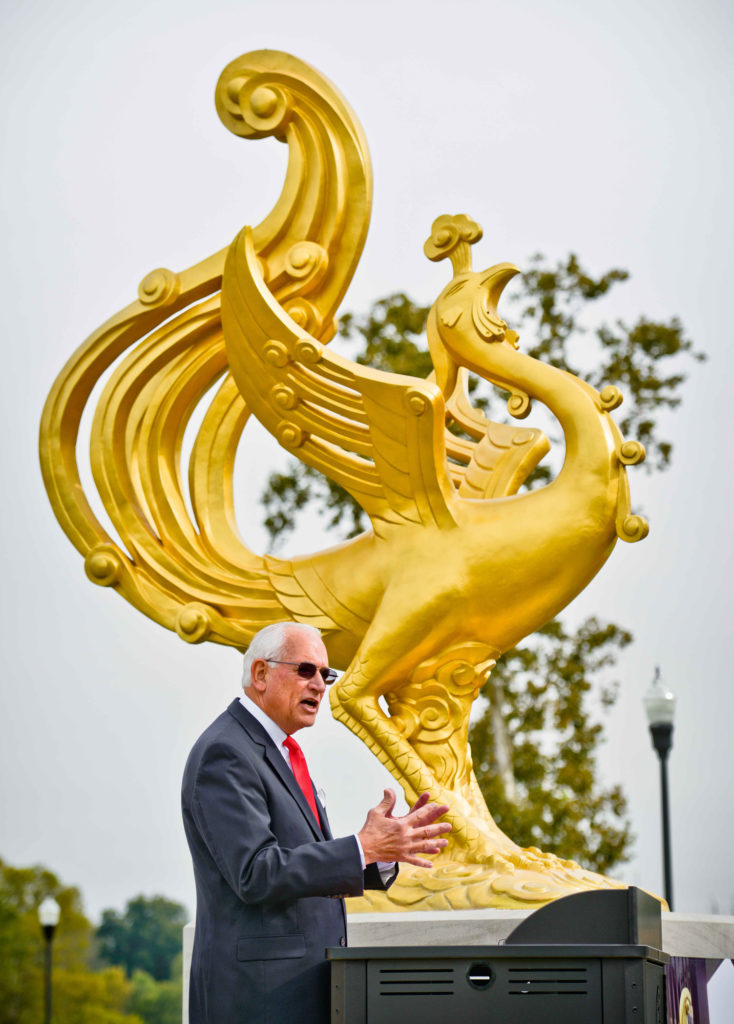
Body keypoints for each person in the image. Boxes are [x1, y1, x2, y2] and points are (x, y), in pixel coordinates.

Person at [182, 621, 451, 1024]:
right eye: (305, 670)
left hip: (298, 994)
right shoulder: (227, 752)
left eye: (326, 674)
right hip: (257, 1000)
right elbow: (256, 872)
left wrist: (381, 852)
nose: (319, 685)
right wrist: (361, 847)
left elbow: (297, 863)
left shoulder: (278, 752)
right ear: (260, 674)